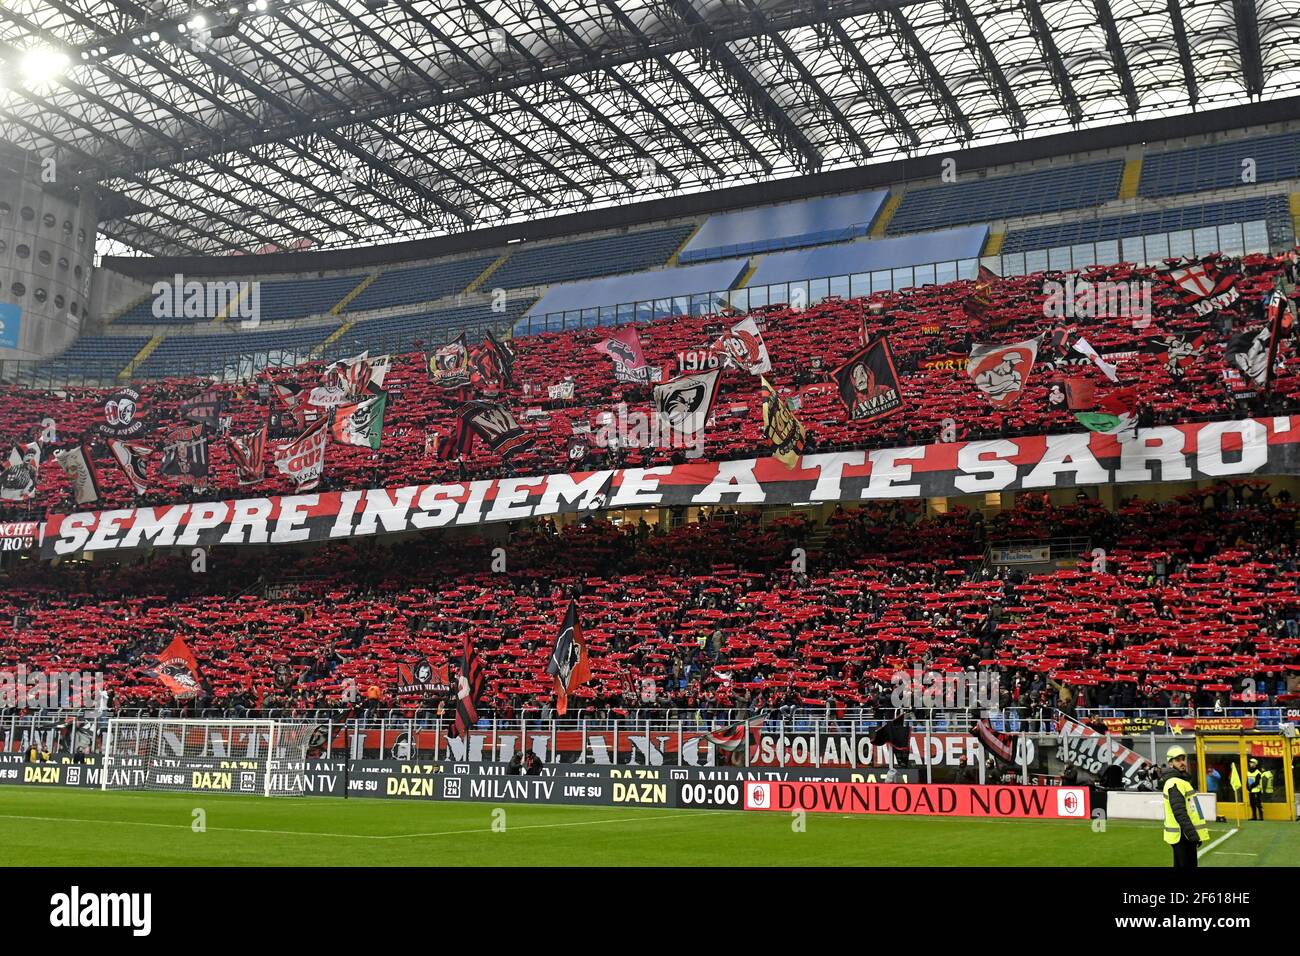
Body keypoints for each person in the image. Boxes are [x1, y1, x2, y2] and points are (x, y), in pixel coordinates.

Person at [1162, 745, 1209, 868]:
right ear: (1170, 763)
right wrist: (1193, 835)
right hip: (1182, 836)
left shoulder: (1181, 781)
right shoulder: (1174, 782)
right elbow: (1180, 812)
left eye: (1183, 759)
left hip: (1183, 835)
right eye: (1178, 760)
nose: (1182, 762)